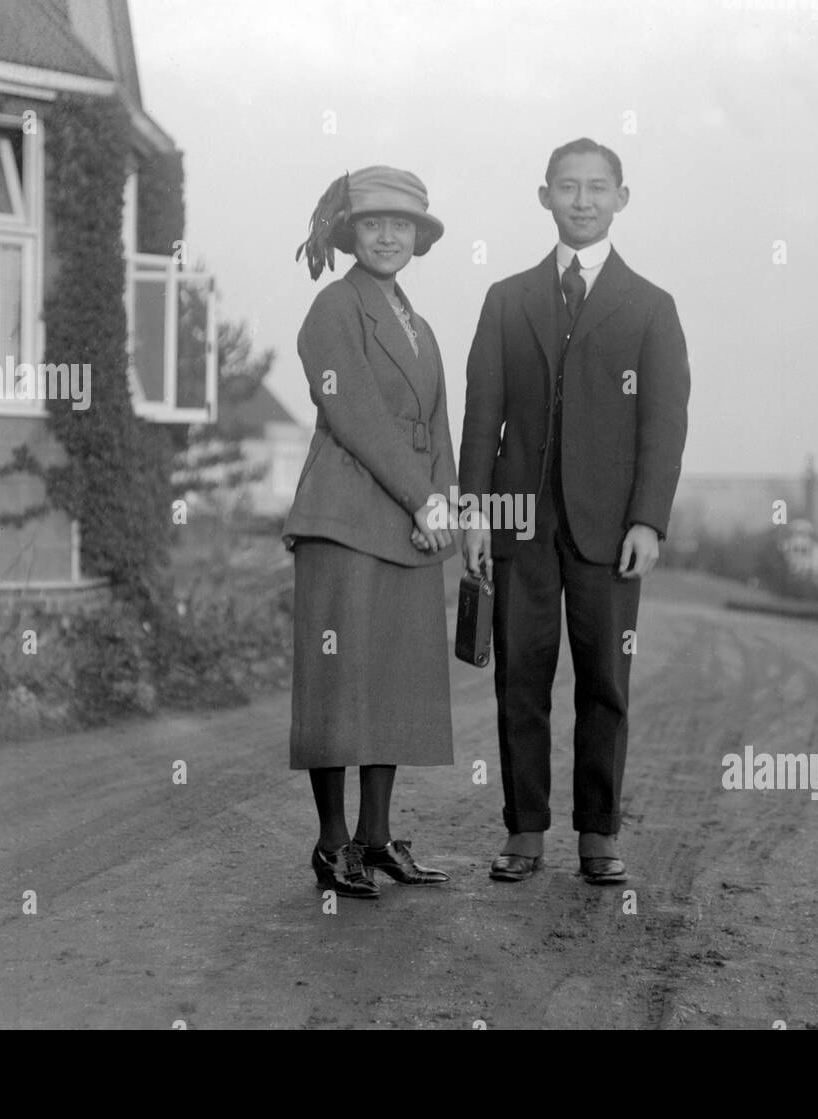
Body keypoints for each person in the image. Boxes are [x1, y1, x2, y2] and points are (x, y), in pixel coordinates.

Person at [459, 138, 691, 885]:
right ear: (544, 197)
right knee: (520, 677)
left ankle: (600, 835)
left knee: (604, 683)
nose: (582, 200)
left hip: (611, 528)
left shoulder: (652, 308)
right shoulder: (507, 299)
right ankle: (523, 830)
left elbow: (664, 424)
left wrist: (649, 520)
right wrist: (474, 513)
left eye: (597, 187)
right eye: (568, 187)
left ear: (622, 197)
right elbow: (480, 415)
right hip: (519, 522)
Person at [284, 166, 456, 899]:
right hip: (344, 517)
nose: (388, 235)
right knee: (338, 680)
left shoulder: (423, 328)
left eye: (402, 224)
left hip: (408, 519)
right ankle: (331, 843)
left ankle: (376, 836)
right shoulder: (333, 307)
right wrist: (424, 498)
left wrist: (445, 504)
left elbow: (438, 427)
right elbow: (354, 414)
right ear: (349, 232)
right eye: (373, 222)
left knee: (393, 678)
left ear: (419, 236)